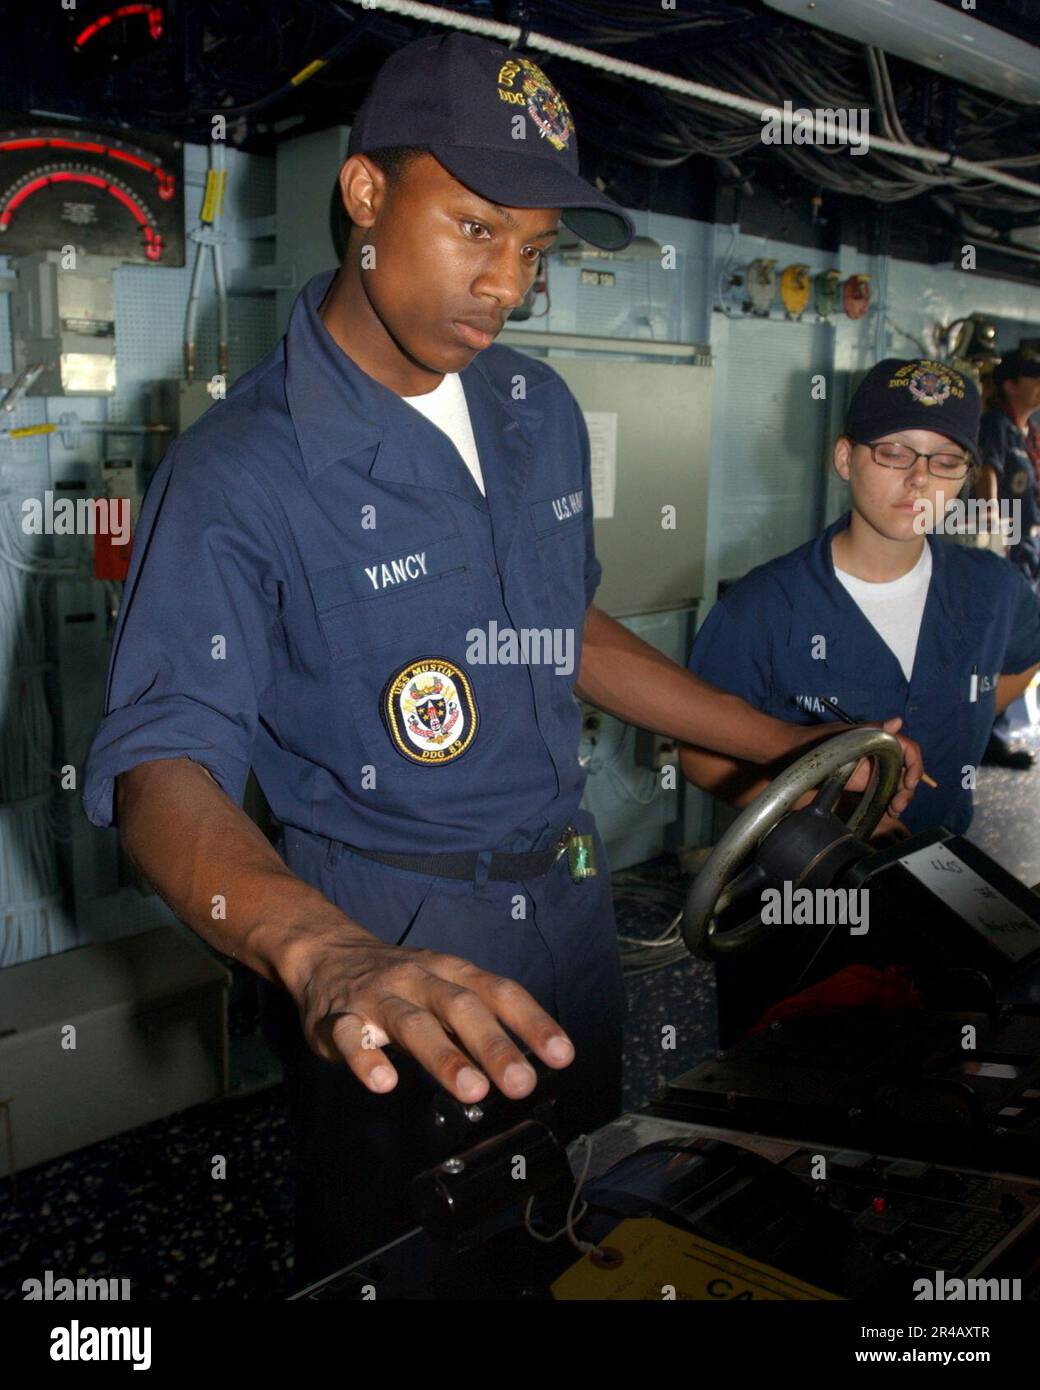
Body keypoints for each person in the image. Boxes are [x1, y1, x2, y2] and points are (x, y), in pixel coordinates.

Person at [81, 33, 922, 1286]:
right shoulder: (241, 468)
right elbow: (159, 763)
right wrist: (322, 951)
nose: (503, 283)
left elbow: (562, 630)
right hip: (399, 949)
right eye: (473, 228)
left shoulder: (532, 411)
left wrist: (778, 743)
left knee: (575, 1239)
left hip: (569, 921)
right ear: (365, 196)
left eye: (528, 249)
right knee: (410, 1262)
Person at [680, 358, 1040, 1042]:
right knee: (791, 1090)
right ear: (845, 458)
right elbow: (700, 756)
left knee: (957, 1063)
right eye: (894, 451)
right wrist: (821, 812)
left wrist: (963, 714)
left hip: (941, 877)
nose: (918, 479)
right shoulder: (764, 606)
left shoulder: (992, 590)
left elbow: (1022, 660)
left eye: (944, 460)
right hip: (796, 901)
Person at [977, 347, 1040, 767]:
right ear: (1010, 385)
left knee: (1020, 645)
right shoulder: (996, 425)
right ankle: (983, 736)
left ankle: (993, 730)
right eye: (1033, 378)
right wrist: (993, 535)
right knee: (1000, 646)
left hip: (1029, 550)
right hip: (1009, 552)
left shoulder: (1029, 432)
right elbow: (989, 477)